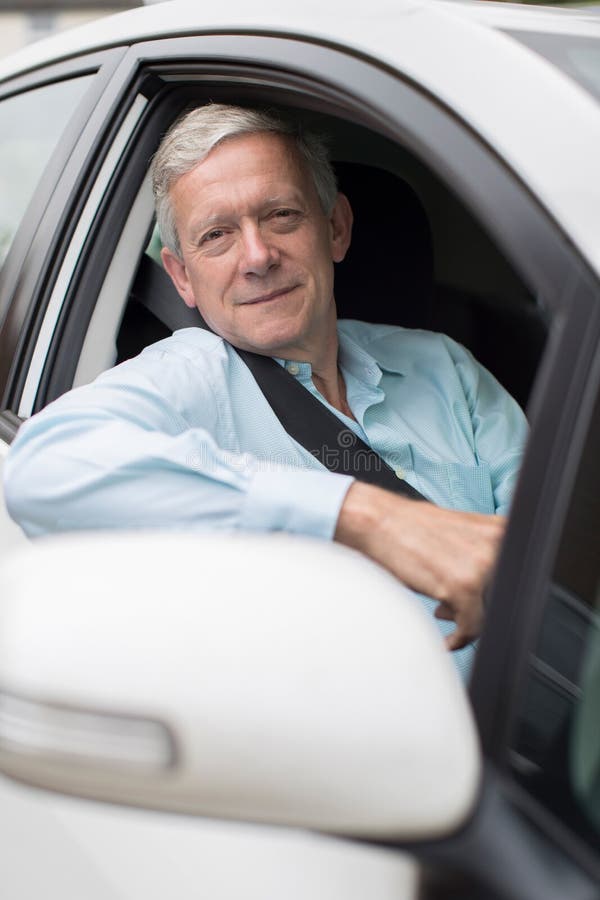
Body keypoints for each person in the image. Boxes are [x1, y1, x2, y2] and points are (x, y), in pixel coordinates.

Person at [3, 104, 527, 676]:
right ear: (182, 277)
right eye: (216, 235)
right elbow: (43, 465)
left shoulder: (442, 366)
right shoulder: (191, 376)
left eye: (281, 215)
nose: (257, 257)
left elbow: (545, 549)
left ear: (336, 228)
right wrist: (364, 517)